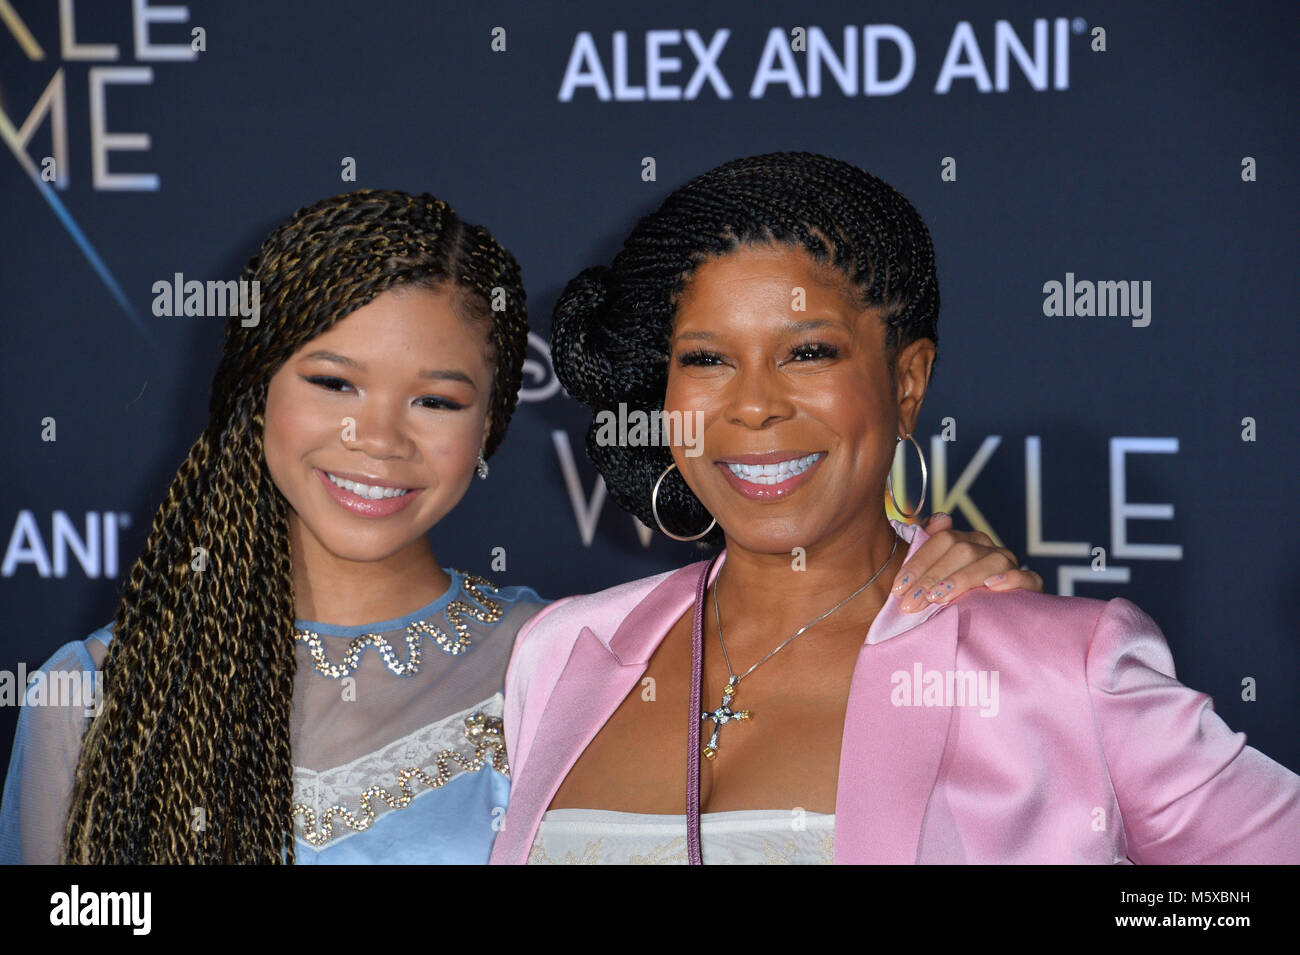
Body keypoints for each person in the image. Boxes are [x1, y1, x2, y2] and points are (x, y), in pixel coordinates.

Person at [0, 188, 1032, 864]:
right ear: (251, 393)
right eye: (332, 381)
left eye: (437, 401)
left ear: (488, 428)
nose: (379, 440)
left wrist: (937, 575)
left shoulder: (566, 666)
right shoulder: (88, 694)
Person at [490, 152, 1300, 865]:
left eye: (808, 352)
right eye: (707, 359)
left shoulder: (1059, 672)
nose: (754, 406)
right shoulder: (563, 652)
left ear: (906, 383)